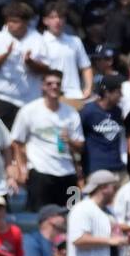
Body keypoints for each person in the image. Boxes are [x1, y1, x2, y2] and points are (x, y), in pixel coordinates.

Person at [10, 69, 84, 211]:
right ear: (42, 86)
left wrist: (69, 140)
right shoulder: (29, 111)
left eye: (57, 84)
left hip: (67, 173)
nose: (54, 87)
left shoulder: (71, 113)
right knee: (41, 216)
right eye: (49, 83)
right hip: (40, 172)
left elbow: (80, 145)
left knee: (72, 213)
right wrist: (22, 168)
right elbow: (16, 142)